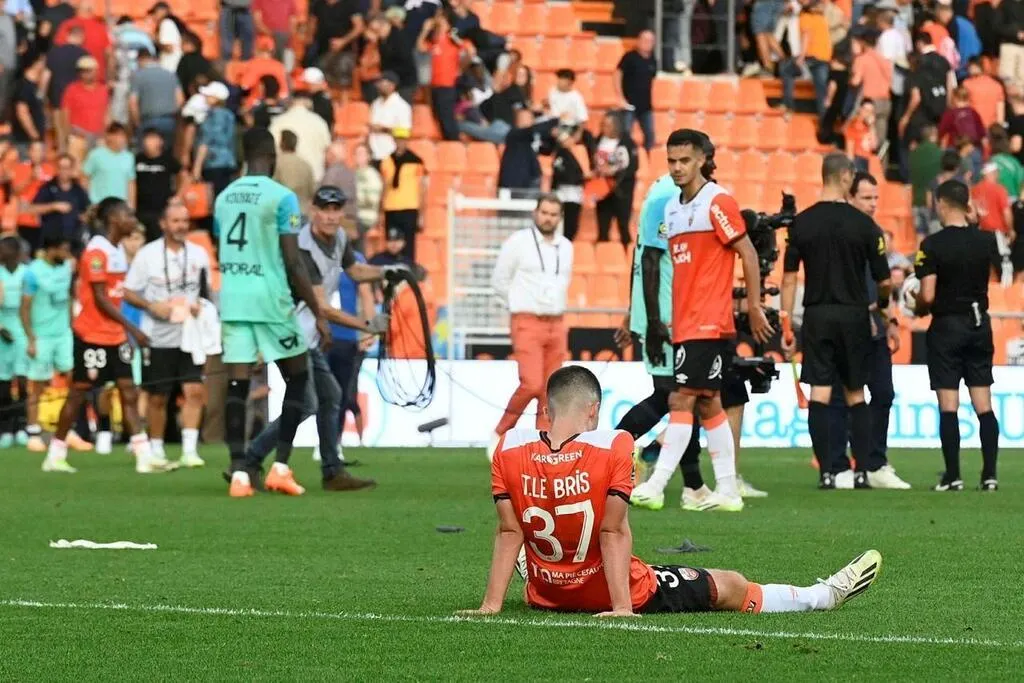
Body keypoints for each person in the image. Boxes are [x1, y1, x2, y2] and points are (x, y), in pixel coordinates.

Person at [462, 364, 882, 617]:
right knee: (730, 584)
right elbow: (612, 532)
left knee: (527, 537)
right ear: (593, 410)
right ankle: (820, 596)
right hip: (618, 589)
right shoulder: (614, 445)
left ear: (548, 408)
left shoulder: (509, 447)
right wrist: (623, 608)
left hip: (547, 593)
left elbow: (507, 533)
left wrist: (490, 607)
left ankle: (537, 575)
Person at [630, 129, 772, 512]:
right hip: (685, 322)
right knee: (709, 405)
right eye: (671, 161)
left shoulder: (718, 201)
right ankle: (726, 490)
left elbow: (748, 253)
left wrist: (754, 306)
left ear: (703, 159)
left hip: (709, 322)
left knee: (681, 398)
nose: (677, 168)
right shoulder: (672, 209)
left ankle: (656, 485)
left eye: (685, 161)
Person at [241, 186, 391, 491]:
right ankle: (251, 460)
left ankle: (331, 470)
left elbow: (357, 270)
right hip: (289, 333)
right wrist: (367, 324)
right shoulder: (302, 247)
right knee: (308, 403)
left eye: (336, 209)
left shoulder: (340, 240)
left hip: (308, 335)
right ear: (313, 210)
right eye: (325, 208)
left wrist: (388, 270)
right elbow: (321, 305)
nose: (331, 215)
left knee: (330, 396)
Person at [215, 128, 328, 498]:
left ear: (243, 154)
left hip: (232, 297)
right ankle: (280, 465)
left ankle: (238, 474)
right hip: (270, 299)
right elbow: (292, 260)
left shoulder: (224, 197)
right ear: (274, 157)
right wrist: (318, 311)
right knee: (297, 379)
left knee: (236, 382)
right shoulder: (282, 198)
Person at [780, 153, 892, 489]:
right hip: (854, 315)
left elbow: (788, 279)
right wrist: (882, 307)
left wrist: (787, 322)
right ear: (845, 177)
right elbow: (884, 281)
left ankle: (827, 471)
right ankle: (860, 472)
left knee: (821, 394)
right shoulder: (865, 225)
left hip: (817, 314)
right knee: (856, 393)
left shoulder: (802, 223)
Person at [41, 198, 167, 474]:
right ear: (114, 219)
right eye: (128, 214)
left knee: (129, 392)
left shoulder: (116, 250)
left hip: (114, 335)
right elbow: (100, 299)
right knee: (78, 395)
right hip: (92, 335)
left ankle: (144, 456)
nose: (133, 218)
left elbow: (116, 294)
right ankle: (55, 453)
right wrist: (133, 329)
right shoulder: (97, 252)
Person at [912, 179, 1001, 491]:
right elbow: (997, 275)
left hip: (947, 327)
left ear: (941, 204)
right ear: (967, 205)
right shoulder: (985, 241)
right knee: (983, 404)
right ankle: (989, 475)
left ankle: (953, 476)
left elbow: (928, 294)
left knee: (948, 405)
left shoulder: (932, 245)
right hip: (979, 324)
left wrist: (917, 304)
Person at [825, 172, 911, 490]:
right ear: (850, 198)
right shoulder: (841, 233)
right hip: (845, 326)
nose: (873, 204)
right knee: (838, 397)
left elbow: (881, 282)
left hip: (874, 327)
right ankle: (837, 465)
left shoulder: (874, 233)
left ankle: (874, 461)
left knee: (883, 393)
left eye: (876, 198)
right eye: (867, 198)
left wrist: (891, 322)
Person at [123, 202, 211, 469]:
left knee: (194, 391)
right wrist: (151, 306)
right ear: (163, 224)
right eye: (175, 221)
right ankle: (157, 447)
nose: (181, 226)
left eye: (185, 221)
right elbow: (128, 292)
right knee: (158, 395)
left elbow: (207, 293)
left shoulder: (198, 254)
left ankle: (189, 449)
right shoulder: (147, 255)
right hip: (157, 335)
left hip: (190, 334)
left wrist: (201, 306)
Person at [487, 195, 573, 458]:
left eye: (553, 214)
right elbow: (499, 281)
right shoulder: (518, 242)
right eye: (544, 212)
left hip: (556, 322)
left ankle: (543, 445)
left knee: (551, 389)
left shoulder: (567, 246)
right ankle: (501, 433)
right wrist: (517, 305)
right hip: (527, 320)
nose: (548, 218)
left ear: (559, 217)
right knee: (531, 383)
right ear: (536, 213)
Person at [20, 235, 76, 453]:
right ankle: (33, 432)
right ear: (51, 250)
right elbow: (24, 307)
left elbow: (69, 297)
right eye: (63, 249)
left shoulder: (67, 268)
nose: (67, 253)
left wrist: (72, 326)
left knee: (73, 380)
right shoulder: (33, 272)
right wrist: (31, 338)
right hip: (42, 335)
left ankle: (66, 429)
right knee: (37, 385)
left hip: (63, 333)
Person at [379, 128, 426, 263]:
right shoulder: (387, 161)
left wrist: (422, 215)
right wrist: (381, 211)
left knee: (408, 247)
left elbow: (422, 189)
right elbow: (384, 187)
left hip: (409, 207)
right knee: (390, 244)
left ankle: (408, 274)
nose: (400, 142)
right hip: (391, 207)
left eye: (403, 139)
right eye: (398, 139)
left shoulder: (416, 161)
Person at [0, 237, 28, 448]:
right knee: (3, 384)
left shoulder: (26, 274)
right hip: (2, 328)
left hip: (21, 328)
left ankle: (22, 426)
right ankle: (5, 429)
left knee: (24, 381)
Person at [29, 153, 90, 250]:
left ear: (71, 169)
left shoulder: (78, 190)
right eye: (60, 167)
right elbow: (32, 208)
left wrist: (83, 217)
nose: (63, 171)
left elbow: (87, 210)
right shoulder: (47, 187)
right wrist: (53, 206)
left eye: (66, 168)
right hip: (51, 242)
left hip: (73, 241)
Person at [269, 92, 332, 183]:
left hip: (286, 177)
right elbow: (328, 150)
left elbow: (272, 149)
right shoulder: (319, 122)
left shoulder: (279, 121)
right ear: (309, 103)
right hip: (314, 176)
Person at [129, 47, 183, 151]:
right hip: (170, 121)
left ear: (140, 59)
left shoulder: (138, 76)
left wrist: (137, 123)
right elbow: (180, 100)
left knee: (148, 157)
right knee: (167, 155)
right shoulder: (171, 75)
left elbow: (132, 103)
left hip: (148, 122)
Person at [135, 128, 183, 242]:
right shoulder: (137, 159)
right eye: (147, 138)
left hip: (162, 209)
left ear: (160, 141)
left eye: (152, 138)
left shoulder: (168, 159)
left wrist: (178, 196)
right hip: (141, 210)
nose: (148, 142)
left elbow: (184, 176)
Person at [614, 29, 657, 151]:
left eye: (650, 40)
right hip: (629, 104)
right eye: (644, 40)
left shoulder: (653, 60)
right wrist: (620, 97)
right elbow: (617, 75)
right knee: (625, 134)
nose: (647, 43)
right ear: (638, 41)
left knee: (650, 136)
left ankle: (648, 161)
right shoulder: (629, 57)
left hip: (646, 106)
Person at [82, 123, 136, 206]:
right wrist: (89, 201)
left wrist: (131, 205)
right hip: (98, 204)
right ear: (109, 136)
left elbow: (131, 182)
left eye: (124, 136)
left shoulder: (129, 157)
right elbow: (84, 178)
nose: (122, 139)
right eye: (118, 135)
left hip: (120, 206)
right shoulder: (95, 155)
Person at [368, 71, 412, 164]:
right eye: (379, 82)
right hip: (374, 153)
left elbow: (404, 132)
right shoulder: (375, 104)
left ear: (392, 85)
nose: (380, 85)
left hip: (389, 153)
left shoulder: (402, 106)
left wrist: (383, 129)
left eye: (383, 82)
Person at [273, 129, 317, 212]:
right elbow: (312, 191)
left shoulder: (276, 163)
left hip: (285, 213)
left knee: (292, 224)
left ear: (282, 143)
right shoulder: (305, 164)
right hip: (303, 211)